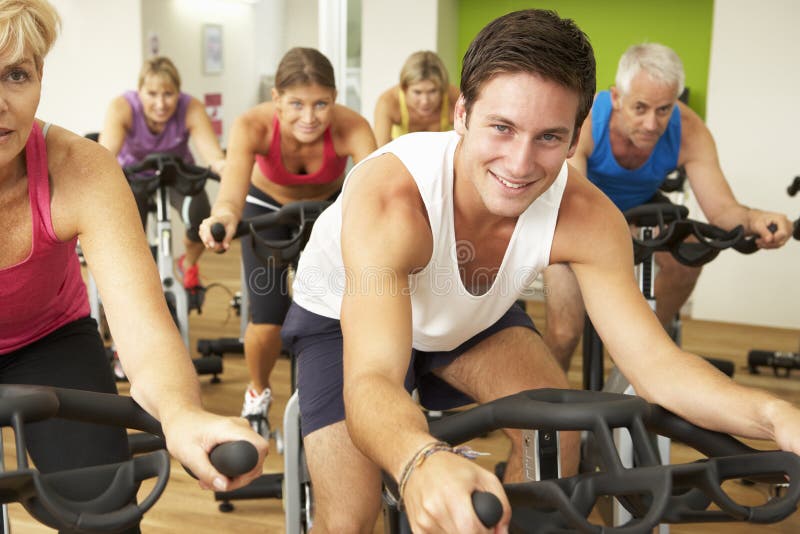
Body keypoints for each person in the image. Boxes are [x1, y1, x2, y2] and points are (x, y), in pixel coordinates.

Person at [273, 9, 800, 533]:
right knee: (349, 520)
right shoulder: (392, 198)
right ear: (462, 115)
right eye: (501, 127)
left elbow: (657, 367)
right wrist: (419, 460)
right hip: (343, 325)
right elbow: (373, 379)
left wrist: (776, 417)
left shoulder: (588, 218)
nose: (520, 164)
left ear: (575, 139)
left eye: (549, 137)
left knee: (556, 433)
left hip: (468, 319)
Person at [0, 3, 267, 529]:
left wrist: (181, 413)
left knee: (107, 515)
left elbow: (143, 331)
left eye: (15, 74)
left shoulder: (82, 169)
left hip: (48, 340)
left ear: (39, 78)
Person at [541, 42, 793, 371]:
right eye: (640, 108)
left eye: (664, 109)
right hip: (576, 213)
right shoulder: (586, 122)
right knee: (564, 331)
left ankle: (637, 351)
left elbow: (722, 211)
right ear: (617, 98)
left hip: (641, 205)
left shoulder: (689, 131)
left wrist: (756, 218)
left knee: (688, 256)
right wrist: (620, 230)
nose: (652, 124)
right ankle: (537, 419)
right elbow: (572, 206)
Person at [198, 47, 376, 439]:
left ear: (334, 99)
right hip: (266, 212)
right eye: (296, 104)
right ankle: (258, 393)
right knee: (267, 319)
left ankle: (349, 392)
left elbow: (376, 192)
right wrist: (224, 218)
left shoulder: (353, 128)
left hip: (328, 212)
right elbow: (230, 196)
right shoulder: (253, 125)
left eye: (321, 104)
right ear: (276, 98)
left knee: (342, 313)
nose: (309, 117)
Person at [99, 56, 225, 290]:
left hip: (177, 173)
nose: (161, 103)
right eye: (152, 94)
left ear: (179, 93)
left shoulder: (191, 108)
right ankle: (136, 285)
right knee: (128, 237)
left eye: (168, 94)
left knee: (201, 218)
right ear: (139, 92)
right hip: (134, 174)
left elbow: (214, 157)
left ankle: (186, 263)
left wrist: (227, 171)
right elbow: (104, 157)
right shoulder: (122, 107)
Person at [373, 50, 460, 146]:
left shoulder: (456, 99)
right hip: (400, 159)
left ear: (443, 88)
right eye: (417, 92)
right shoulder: (388, 102)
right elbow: (378, 151)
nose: (425, 101)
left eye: (432, 91)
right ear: (404, 88)